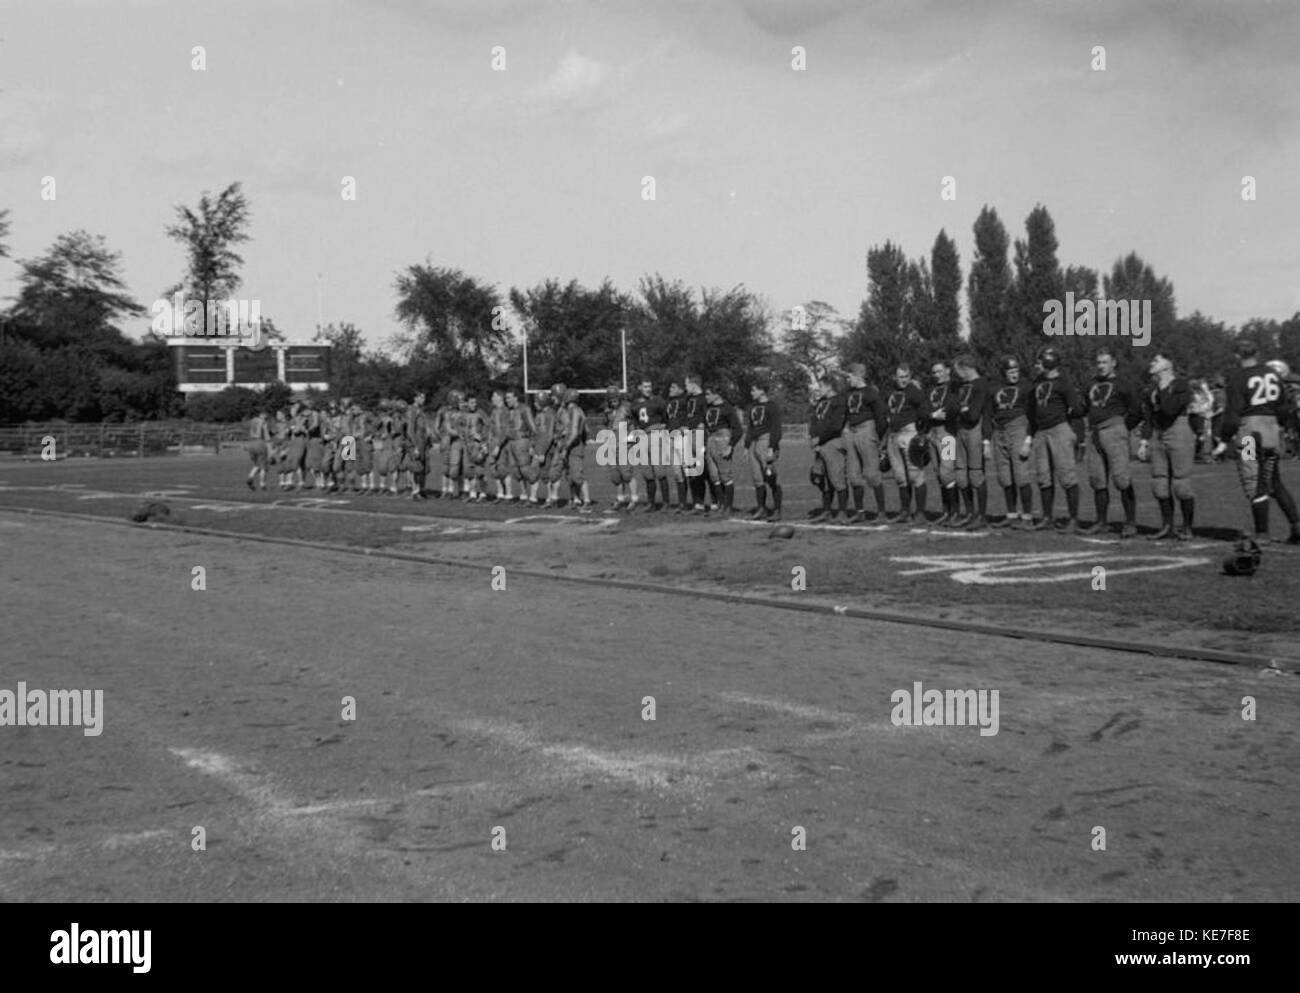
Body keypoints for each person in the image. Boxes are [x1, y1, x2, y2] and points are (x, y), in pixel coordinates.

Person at [1216, 341, 1300, 543]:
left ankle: (1262, 532)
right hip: (1271, 430)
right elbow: (1283, 407)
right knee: (1273, 481)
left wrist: (1224, 438)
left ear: (1237, 355)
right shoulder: (1272, 374)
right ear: (1257, 353)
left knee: (1253, 481)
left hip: (1249, 433)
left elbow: (1233, 414)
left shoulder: (1238, 378)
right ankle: (1296, 527)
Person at [1081, 348, 1141, 537]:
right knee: (1097, 479)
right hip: (1094, 433)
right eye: (1098, 362)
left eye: (1105, 362)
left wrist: (1123, 428)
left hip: (1115, 431)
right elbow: (1083, 407)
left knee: (1121, 478)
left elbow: (1136, 410)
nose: (1101, 366)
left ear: (1113, 363)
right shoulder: (1091, 384)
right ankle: (1101, 521)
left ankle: (1130, 522)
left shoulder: (1123, 384)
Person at [1138, 351, 1196, 540]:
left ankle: (1187, 527)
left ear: (1167, 366)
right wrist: (1144, 441)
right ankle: (1167, 526)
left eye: (1156, 361)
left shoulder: (1181, 385)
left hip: (1178, 430)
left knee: (1181, 484)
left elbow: (1170, 409)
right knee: (1159, 484)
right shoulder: (1150, 390)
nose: (1151, 363)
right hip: (1158, 433)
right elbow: (1148, 417)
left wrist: (1163, 386)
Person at [1024, 346, 1083, 531]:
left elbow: (1076, 409)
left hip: (1059, 429)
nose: (1036, 365)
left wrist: (1077, 435)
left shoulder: (1063, 382)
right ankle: (1047, 517)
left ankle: (1073, 519)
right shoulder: (1036, 383)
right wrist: (1030, 436)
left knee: (1066, 475)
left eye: (1040, 361)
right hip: (1041, 432)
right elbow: (1032, 412)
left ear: (1049, 362)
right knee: (1043, 476)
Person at [988, 356, 1034, 528]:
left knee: (1021, 475)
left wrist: (1028, 439)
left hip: (1018, 428)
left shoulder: (1026, 387)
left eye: (1016, 371)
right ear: (1004, 373)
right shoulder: (995, 388)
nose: (1014, 375)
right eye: (1011, 372)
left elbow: (1032, 414)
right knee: (1005, 476)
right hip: (999, 431)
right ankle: (1012, 514)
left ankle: (1028, 517)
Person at [841, 363, 888, 522]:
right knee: (853, 475)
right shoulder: (848, 393)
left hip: (866, 430)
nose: (847, 380)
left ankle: (881, 511)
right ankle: (859, 512)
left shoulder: (870, 392)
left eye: (849, 376)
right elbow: (844, 412)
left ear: (858, 375)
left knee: (871, 474)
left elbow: (881, 415)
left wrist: (879, 436)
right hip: (851, 431)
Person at [883, 363, 930, 524]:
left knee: (917, 475)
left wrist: (922, 431)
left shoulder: (914, 391)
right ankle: (905, 511)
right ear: (894, 378)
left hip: (913, 434)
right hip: (894, 435)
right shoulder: (892, 392)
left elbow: (925, 409)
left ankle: (922, 512)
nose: (903, 380)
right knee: (900, 477)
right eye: (900, 377)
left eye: (906, 377)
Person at [952, 353, 992, 530]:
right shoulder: (962, 386)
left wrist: (962, 410)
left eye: (958, 371)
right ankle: (969, 513)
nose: (957, 375)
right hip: (960, 431)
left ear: (966, 368)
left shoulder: (981, 385)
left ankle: (981, 516)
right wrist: (962, 410)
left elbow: (975, 415)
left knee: (976, 475)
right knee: (961, 475)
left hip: (974, 432)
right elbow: (953, 408)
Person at [808, 374, 849, 523]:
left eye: (822, 386)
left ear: (829, 386)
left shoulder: (838, 401)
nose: (820, 389)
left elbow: (835, 425)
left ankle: (843, 512)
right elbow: (814, 421)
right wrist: (813, 437)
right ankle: (826, 511)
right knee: (822, 479)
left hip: (833, 442)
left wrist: (820, 438)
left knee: (837, 478)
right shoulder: (821, 402)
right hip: (819, 445)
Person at [703, 386, 744, 517]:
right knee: (714, 476)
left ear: (717, 395)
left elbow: (738, 430)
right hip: (711, 440)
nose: (706, 397)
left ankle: (728, 507)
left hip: (722, 440)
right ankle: (721, 505)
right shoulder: (708, 408)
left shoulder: (727, 408)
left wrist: (730, 446)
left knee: (725, 475)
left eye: (709, 394)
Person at [745, 381, 782, 521]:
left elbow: (776, 429)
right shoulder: (753, 407)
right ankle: (761, 508)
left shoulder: (772, 406)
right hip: (754, 443)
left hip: (766, 442)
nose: (751, 393)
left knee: (771, 476)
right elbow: (750, 427)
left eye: (754, 390)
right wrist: (746, 446)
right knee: (757, 479)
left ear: (762, 391)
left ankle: (777, 510)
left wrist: (772, 448)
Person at [245, 409, 271, 490]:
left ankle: (251, 476)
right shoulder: (263, 422)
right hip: (259, 442)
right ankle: (262, 484)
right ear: (263, 415)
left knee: (256, 464)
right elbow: (266, 436)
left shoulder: (252, 421)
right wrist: (269, 444)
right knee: (263, 465)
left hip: (251, 443)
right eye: (266, 417)